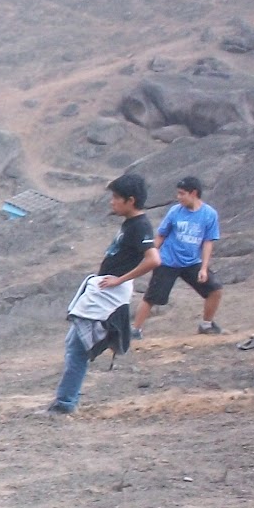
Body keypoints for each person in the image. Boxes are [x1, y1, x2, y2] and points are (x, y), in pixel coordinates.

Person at [47, 174, 160, 415]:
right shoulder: (130, 223)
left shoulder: (140, 225)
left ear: (131, 201)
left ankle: (65, 404)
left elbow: (153, 259)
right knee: (73, 343)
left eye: (117, 198)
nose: (112, 202)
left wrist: (120, 279)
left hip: (110, 294)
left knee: (77, 347)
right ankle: (66, 400)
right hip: (103, 290)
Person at [133, 176, 224, 337]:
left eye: (182, 194)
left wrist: (203, 268)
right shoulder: (175, 211)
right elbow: (161, 236)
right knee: (151, 297)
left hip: (192, 262)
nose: (178, 197)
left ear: (193, 193)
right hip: (168, 261)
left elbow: (208, 242)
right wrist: (150, 255)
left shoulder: (209, 214)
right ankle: (135, 331)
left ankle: (206, 324)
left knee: (215, 289)